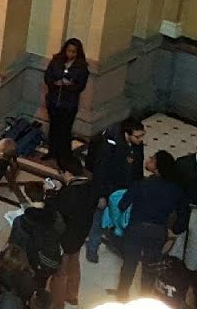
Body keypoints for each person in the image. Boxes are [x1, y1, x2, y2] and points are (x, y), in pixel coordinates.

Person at [115, 150, 189, 298]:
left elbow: (122, 205)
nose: (149, 159)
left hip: (136, 229)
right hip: (158, 232)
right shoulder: (175, 190)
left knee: (129, 265)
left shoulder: (141, 184)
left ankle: (122, 296)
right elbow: (184, 214)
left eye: (152, 159)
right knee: (150, 267)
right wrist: (174, 229)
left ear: (157, 167)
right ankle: (145, 299)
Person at [86, 117, 145, 263]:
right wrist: (101, 195)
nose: (141, 139)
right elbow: (101, 171)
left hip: (124, 191)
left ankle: (115, 244)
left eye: (142, 135)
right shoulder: (109, 146)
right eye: (137, 136)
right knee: (98, 219)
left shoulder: (137, 146)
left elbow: (138, 169)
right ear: (127, 134)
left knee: (119, 220)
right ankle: (93, 247)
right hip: (108, 189)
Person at [47, 155, 96, 309]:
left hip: (66, 236)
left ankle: (57, 303)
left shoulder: (69, 193)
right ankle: (72, 295)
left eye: (61, 172)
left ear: (67, 172)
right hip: (81, 233)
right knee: (74, 264)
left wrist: (51, 194)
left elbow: (57, 212)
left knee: (60, 272)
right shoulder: (89, 186)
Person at [43, 39, 89, 162]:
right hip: (53, 100)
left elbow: (81, 85)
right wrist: (55, 83)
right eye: (69, 51)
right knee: (53, 127)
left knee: (65, 130)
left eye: (74, 52)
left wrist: (69, 85)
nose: (70, 54)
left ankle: (63, 155)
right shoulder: (56, 61)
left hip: (69, 104)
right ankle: (52, 151)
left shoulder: (81, 67)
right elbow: (48, 76)